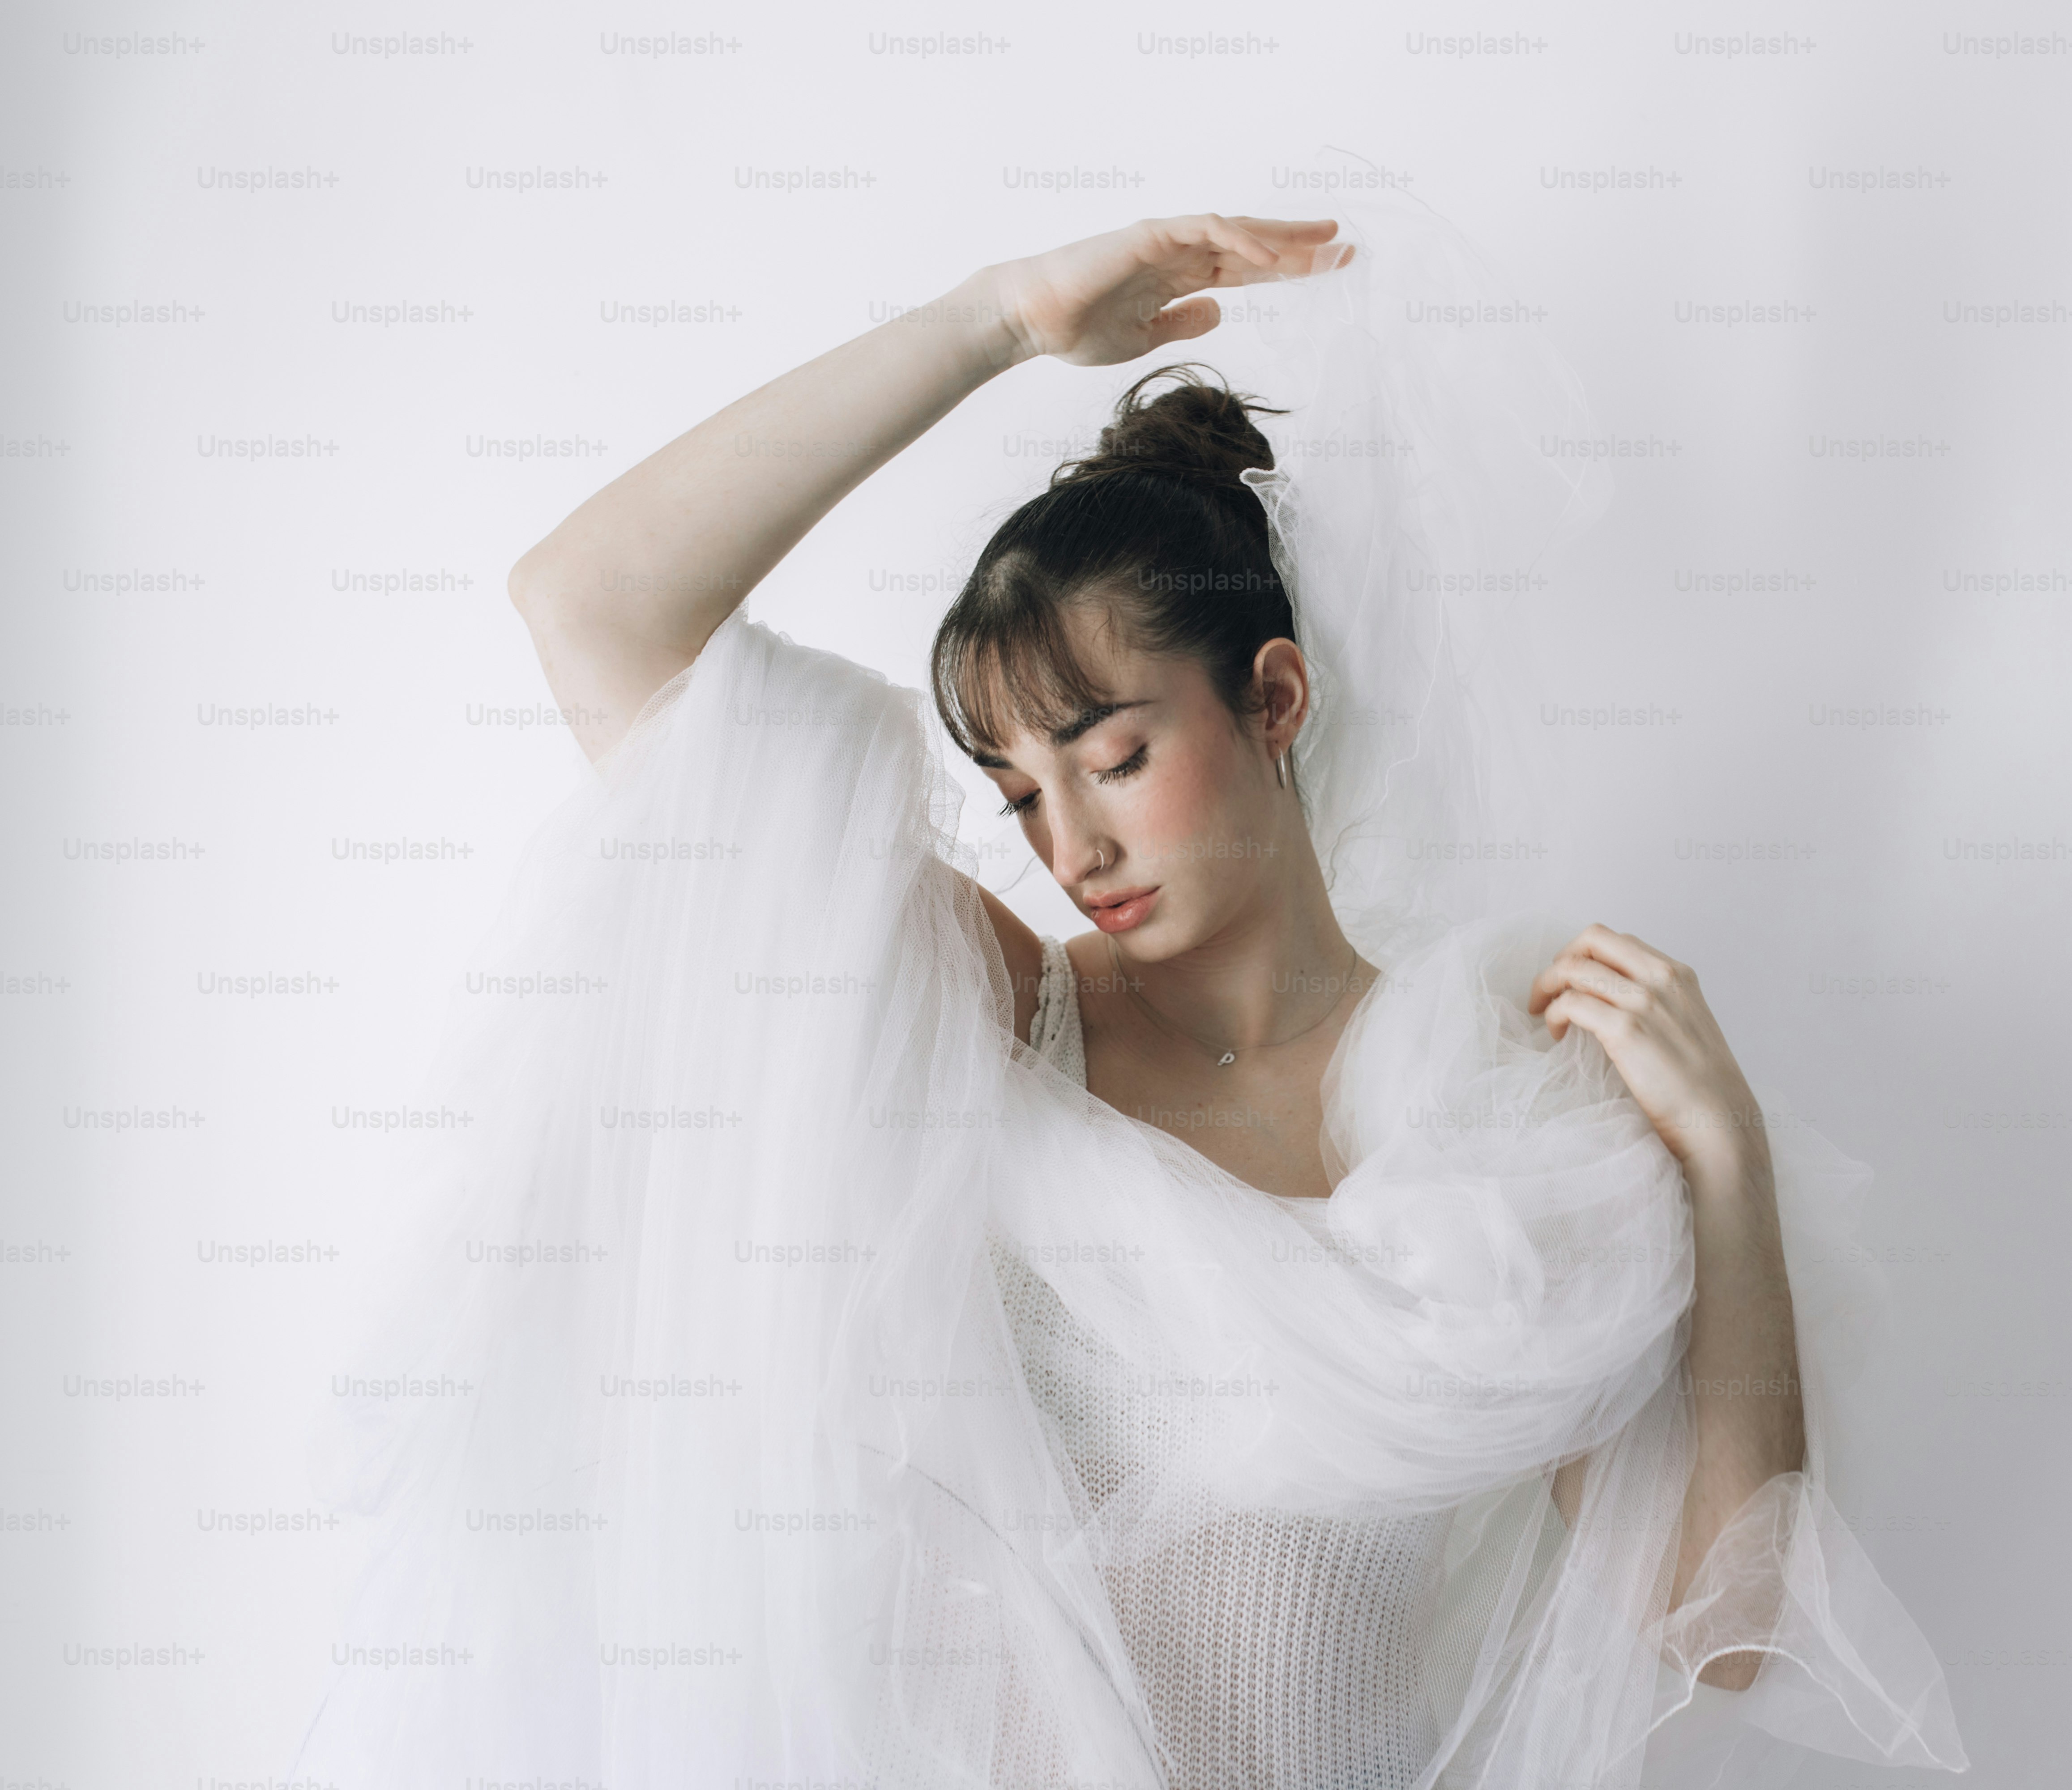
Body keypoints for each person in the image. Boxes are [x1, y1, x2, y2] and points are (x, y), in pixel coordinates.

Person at [301, 209, 1966, 1788]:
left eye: (1113, 754)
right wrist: (1002, 319)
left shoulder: (1492, 1107)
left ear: (1275, 698)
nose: (1069, 841)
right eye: (1020, 794)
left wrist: (1724, 1171)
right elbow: (592, 606)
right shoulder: (1005, 1018)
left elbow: (1723, 1635)